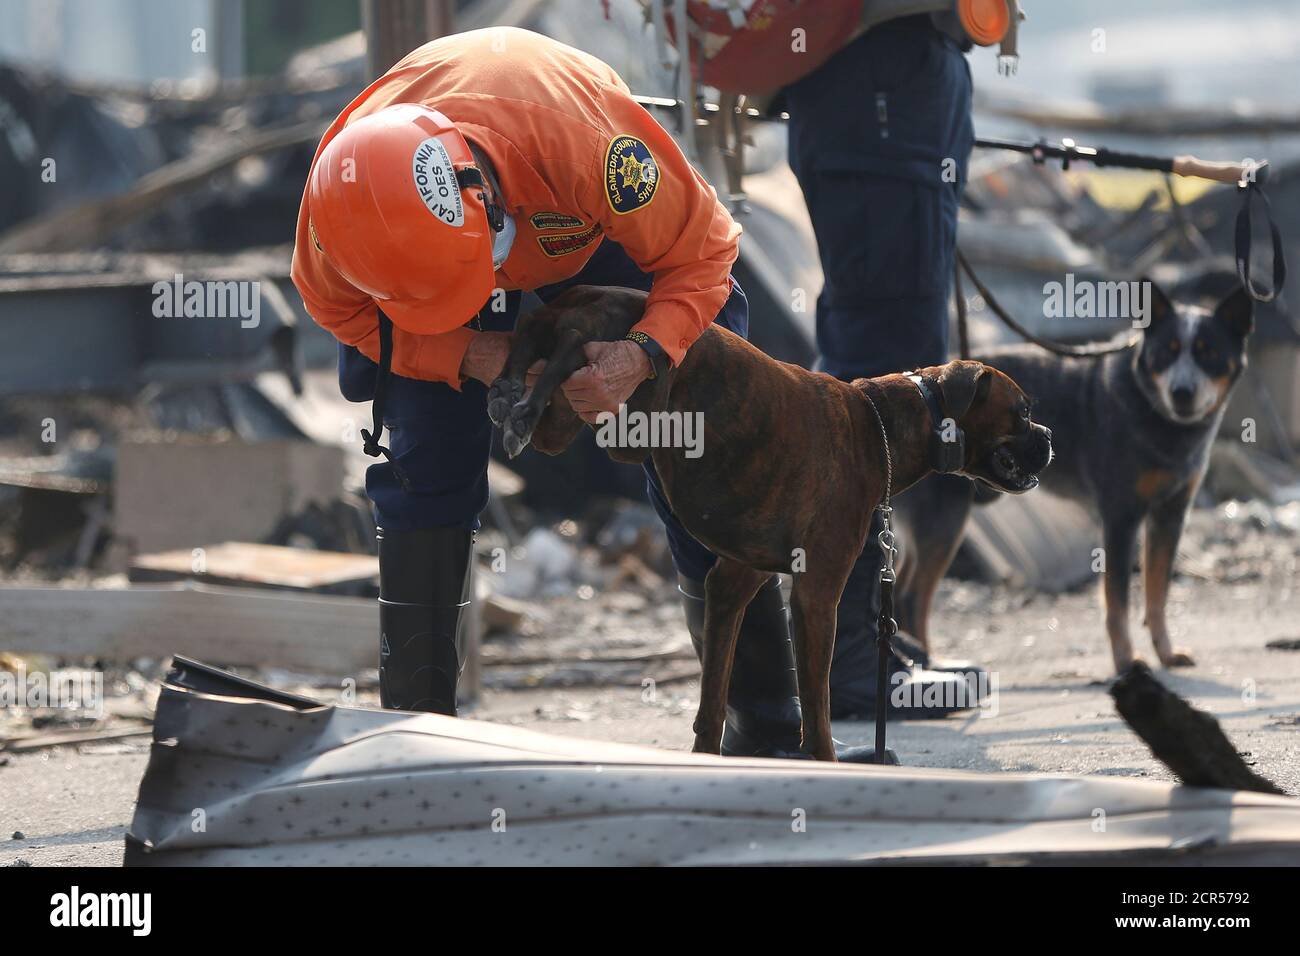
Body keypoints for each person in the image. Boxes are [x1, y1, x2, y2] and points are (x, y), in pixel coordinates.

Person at [292, 26, 882, 761]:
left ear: (492, 207)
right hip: (438, 262)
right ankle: (418, 744)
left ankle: (764, 723)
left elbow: (702, 255)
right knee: (423, 458)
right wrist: (470, 350)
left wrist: (641, 355)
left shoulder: (593, 152)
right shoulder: (336, 216)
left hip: (577, 219)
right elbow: (341, 316)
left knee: (701, 432)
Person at [782, 14, 985, 719]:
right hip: (884, 112)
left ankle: (862, 647)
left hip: (891, 111)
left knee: (884, 364)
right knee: (880, 379)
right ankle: (850, 664)